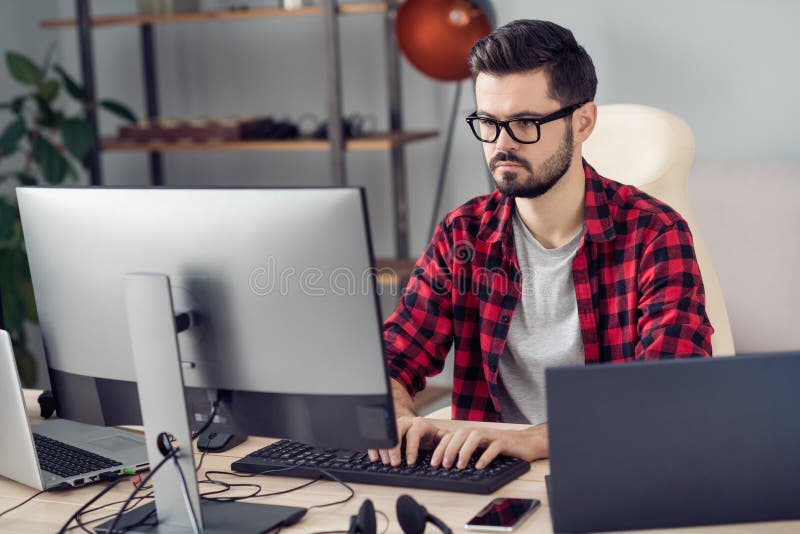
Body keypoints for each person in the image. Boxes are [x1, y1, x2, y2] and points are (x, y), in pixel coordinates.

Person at [369, 19, 713, 471]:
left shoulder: (655, 234)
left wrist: (539, 440)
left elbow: (672, 391)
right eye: (488, 123)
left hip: (614, 466)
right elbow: (396, 354)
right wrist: (395, 415)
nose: (501, 145)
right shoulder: (463, 234)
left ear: (583, 121)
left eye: (525, 123)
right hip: (487, 473)